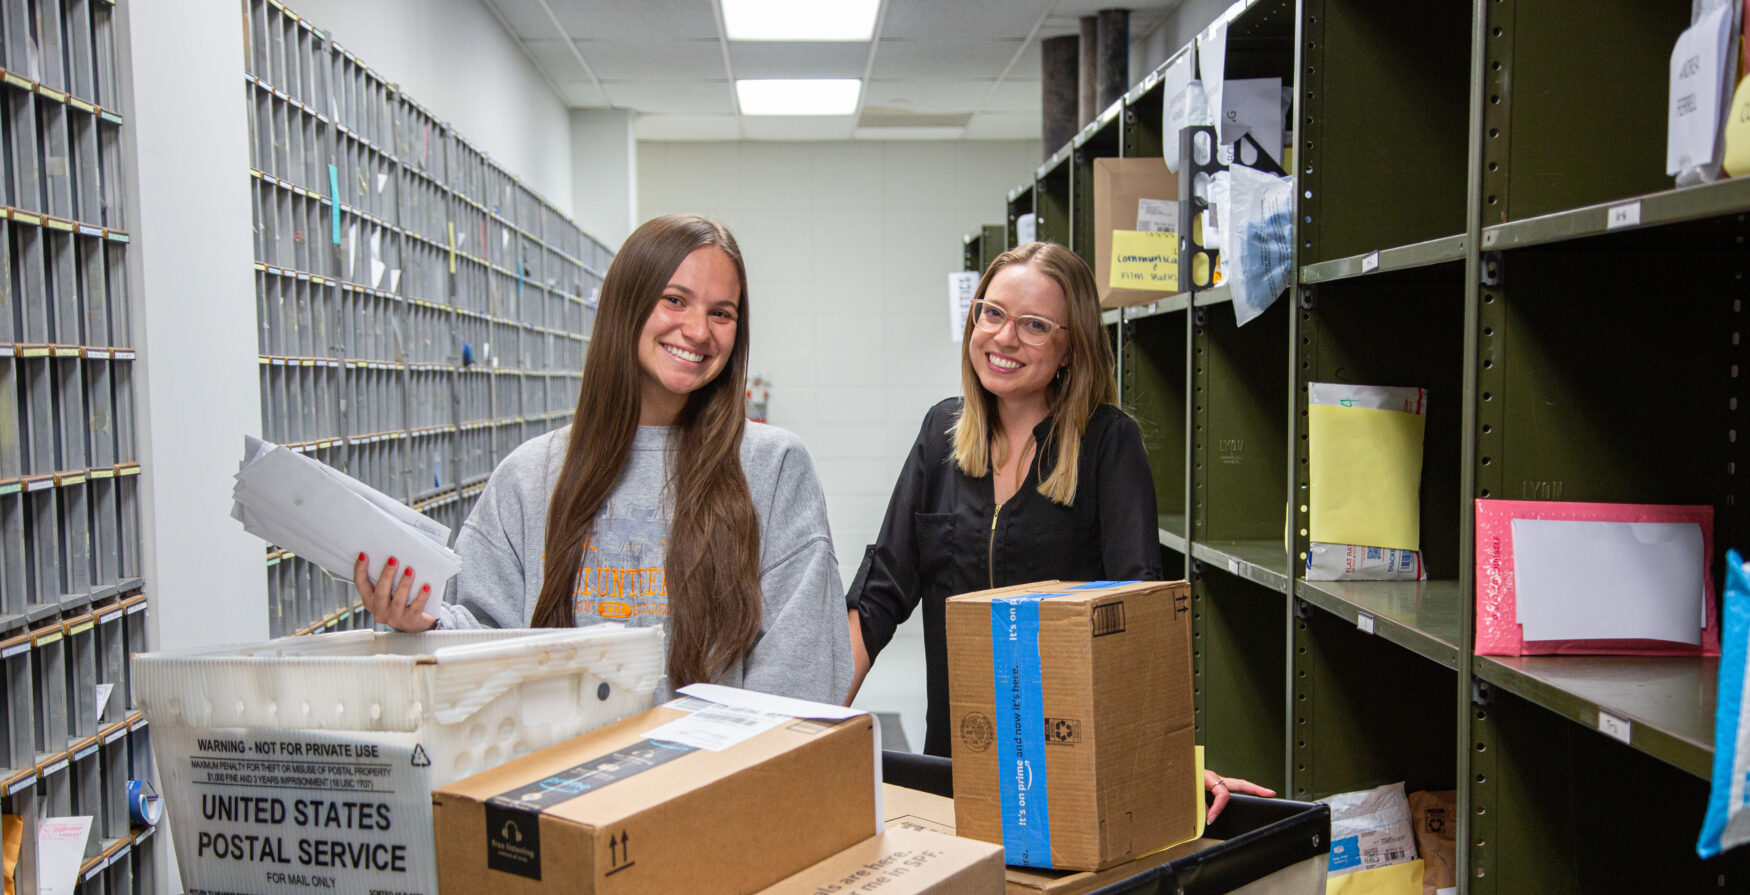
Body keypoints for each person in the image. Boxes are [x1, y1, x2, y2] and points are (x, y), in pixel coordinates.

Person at [846, 241, 1270, 821]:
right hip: (958, 753)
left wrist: (1170, 755)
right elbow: (879, 595)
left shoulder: (1107, 444)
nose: (1003, 337)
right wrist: (801, 728)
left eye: (1035, 325)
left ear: (1071, 347)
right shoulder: (941, 433)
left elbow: (1138, 609)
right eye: (991, 313)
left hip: (1070, 762)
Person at [354, 213, 852, 705]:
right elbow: (485, 644)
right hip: (559, 781)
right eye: (675, 300)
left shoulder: (774, 467)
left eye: (721, 313)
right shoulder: (532, 476)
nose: (698, 330)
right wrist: (424, 622)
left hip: (716, 780)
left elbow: (800, 678)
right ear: (626, 305)